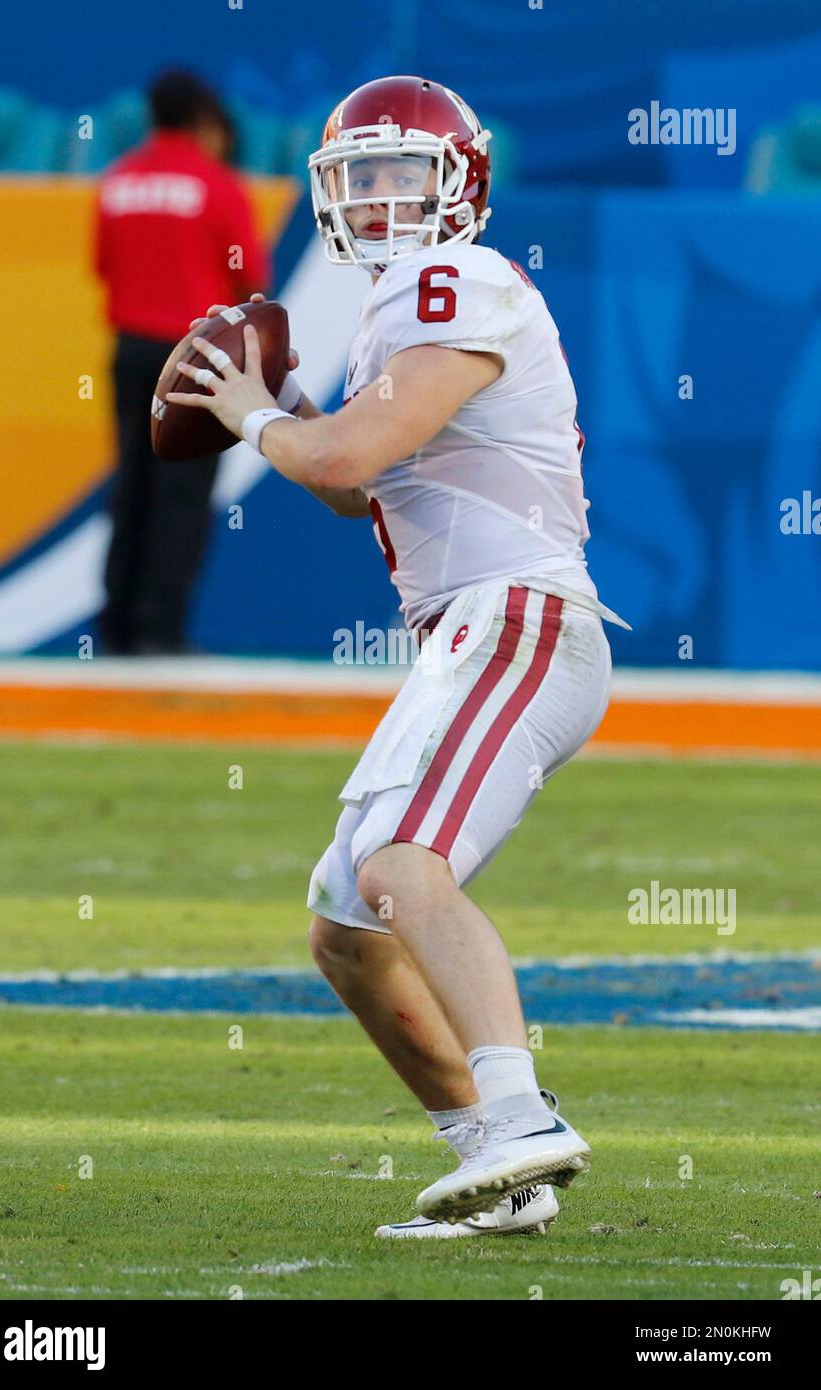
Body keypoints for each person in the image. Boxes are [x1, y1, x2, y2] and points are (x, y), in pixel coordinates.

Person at [170, 75, 628, 1237]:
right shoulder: (402, 304)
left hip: (514, 613)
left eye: (399, 173)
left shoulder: (455, 277)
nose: (377, 198)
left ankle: (525, 1116)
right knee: (347, 925)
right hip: (470, 630)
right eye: (357, 176)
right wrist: (283, 403)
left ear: (458, 183)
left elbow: (338, 460)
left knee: (403, 865)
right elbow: (356, 476)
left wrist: (254, 414)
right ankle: (495, 1157)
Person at [94, 70, 269, 655]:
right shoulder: (217, 185)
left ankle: (116, 627)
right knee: (182, 498)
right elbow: (252, 281)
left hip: (130, 351)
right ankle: (159, 633)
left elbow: (103, 267)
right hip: (196, 359)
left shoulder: (117, 181)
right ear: (204, 121)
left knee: (132, 489)